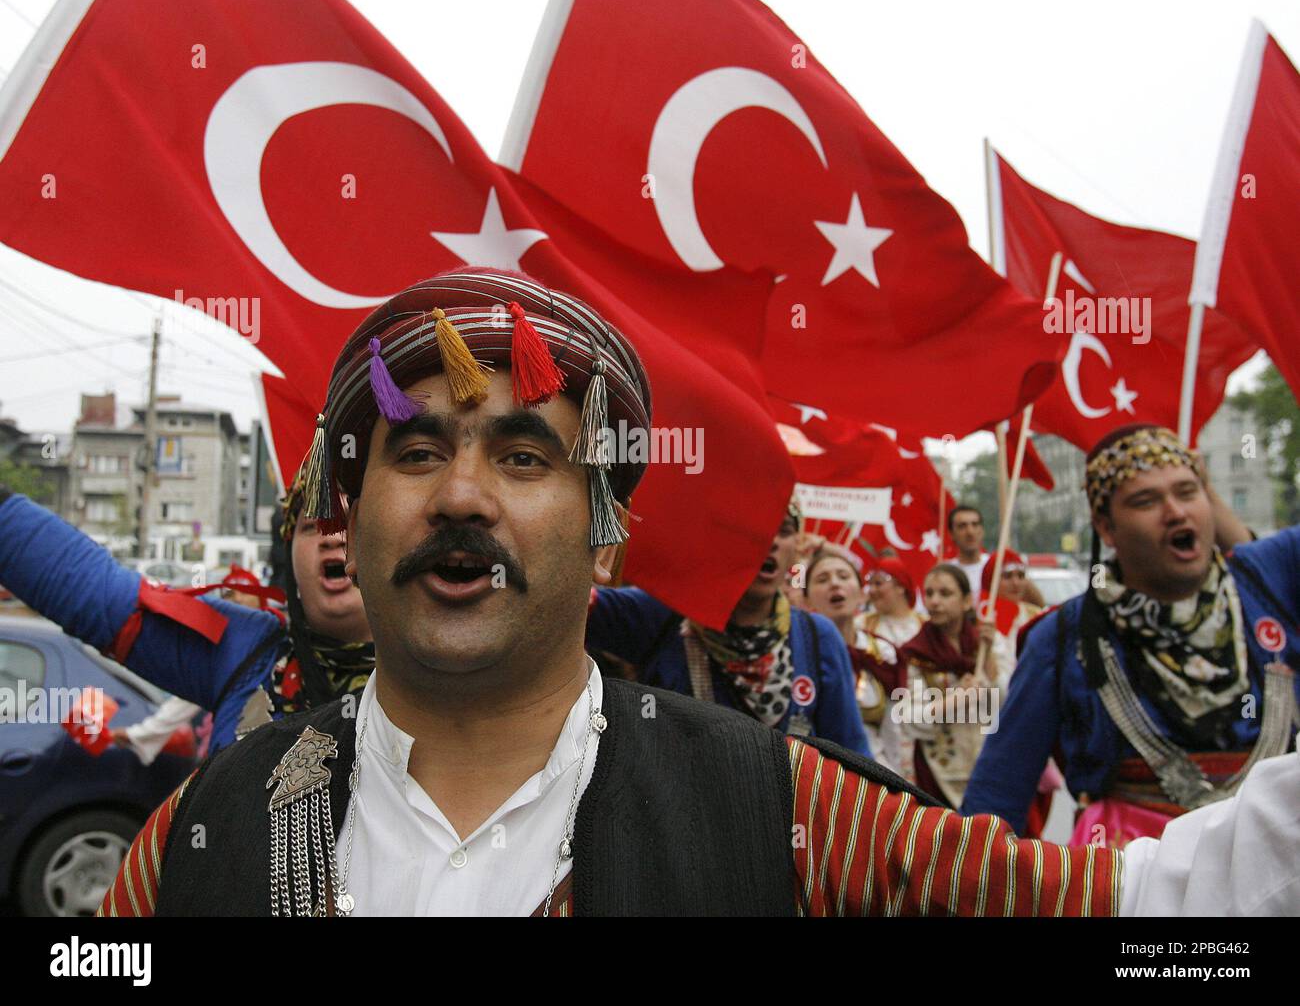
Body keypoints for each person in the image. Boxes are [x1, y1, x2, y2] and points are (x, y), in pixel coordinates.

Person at [98, 271, 1299, 917]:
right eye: (415, 454)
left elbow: (1142, 908)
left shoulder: (779, 806)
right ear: (346, 526)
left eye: (524, 456)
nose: (462, 494)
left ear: (608, 539)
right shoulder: (208, 824)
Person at [963, 424, 1300, 846]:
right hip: (1131, 881)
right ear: (1106, 528)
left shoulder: (1267, 580)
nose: (1175, 512)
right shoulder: (1064, 637)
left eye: (1187, 492)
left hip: (1276, 867)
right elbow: (995, 801)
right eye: (1146, 501)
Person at [0, 464, 373, 753]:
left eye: (347, 520)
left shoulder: (429, 668)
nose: (331, 535)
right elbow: (96, 594)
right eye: (310, 526)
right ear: (287, 559)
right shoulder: (245, 649)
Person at [586, 500, 871, 754]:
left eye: (783, 530)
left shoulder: (818, 637)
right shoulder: (666, 614)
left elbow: (852, 760)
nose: (770, 540)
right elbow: (571, 604)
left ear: (795, 548)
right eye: (756, 528)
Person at [895, 563, 1011, 809]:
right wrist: (956, 700)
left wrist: (987, 654)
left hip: (985, 766)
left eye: (945, 594)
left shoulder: (988, 641)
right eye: (929, 593)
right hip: (937, 774)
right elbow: (909, 720)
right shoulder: (915, 653)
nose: (935, 601)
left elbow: (1005, 705)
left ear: (967, 600)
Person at [803, 543, 904, 771]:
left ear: (861, 594)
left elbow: (894, 727)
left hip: (877, 773)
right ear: (807, 599)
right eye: (822, 579)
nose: (835, 583)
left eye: (843, 576)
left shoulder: (882, 651)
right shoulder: (800, 651)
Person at [858, 557, 924, 780]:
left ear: (900, 587)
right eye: (870, 584)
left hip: (923, 726)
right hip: (881, 726)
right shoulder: (862, 624)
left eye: (879, 583)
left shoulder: (925, 626)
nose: (872, 591)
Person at [945, 504, 989, 598]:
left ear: (982, 530)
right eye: (962, 526)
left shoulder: (997, 568)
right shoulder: (945, 573)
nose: (970, 532)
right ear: (951, 534)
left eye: (975, 524)